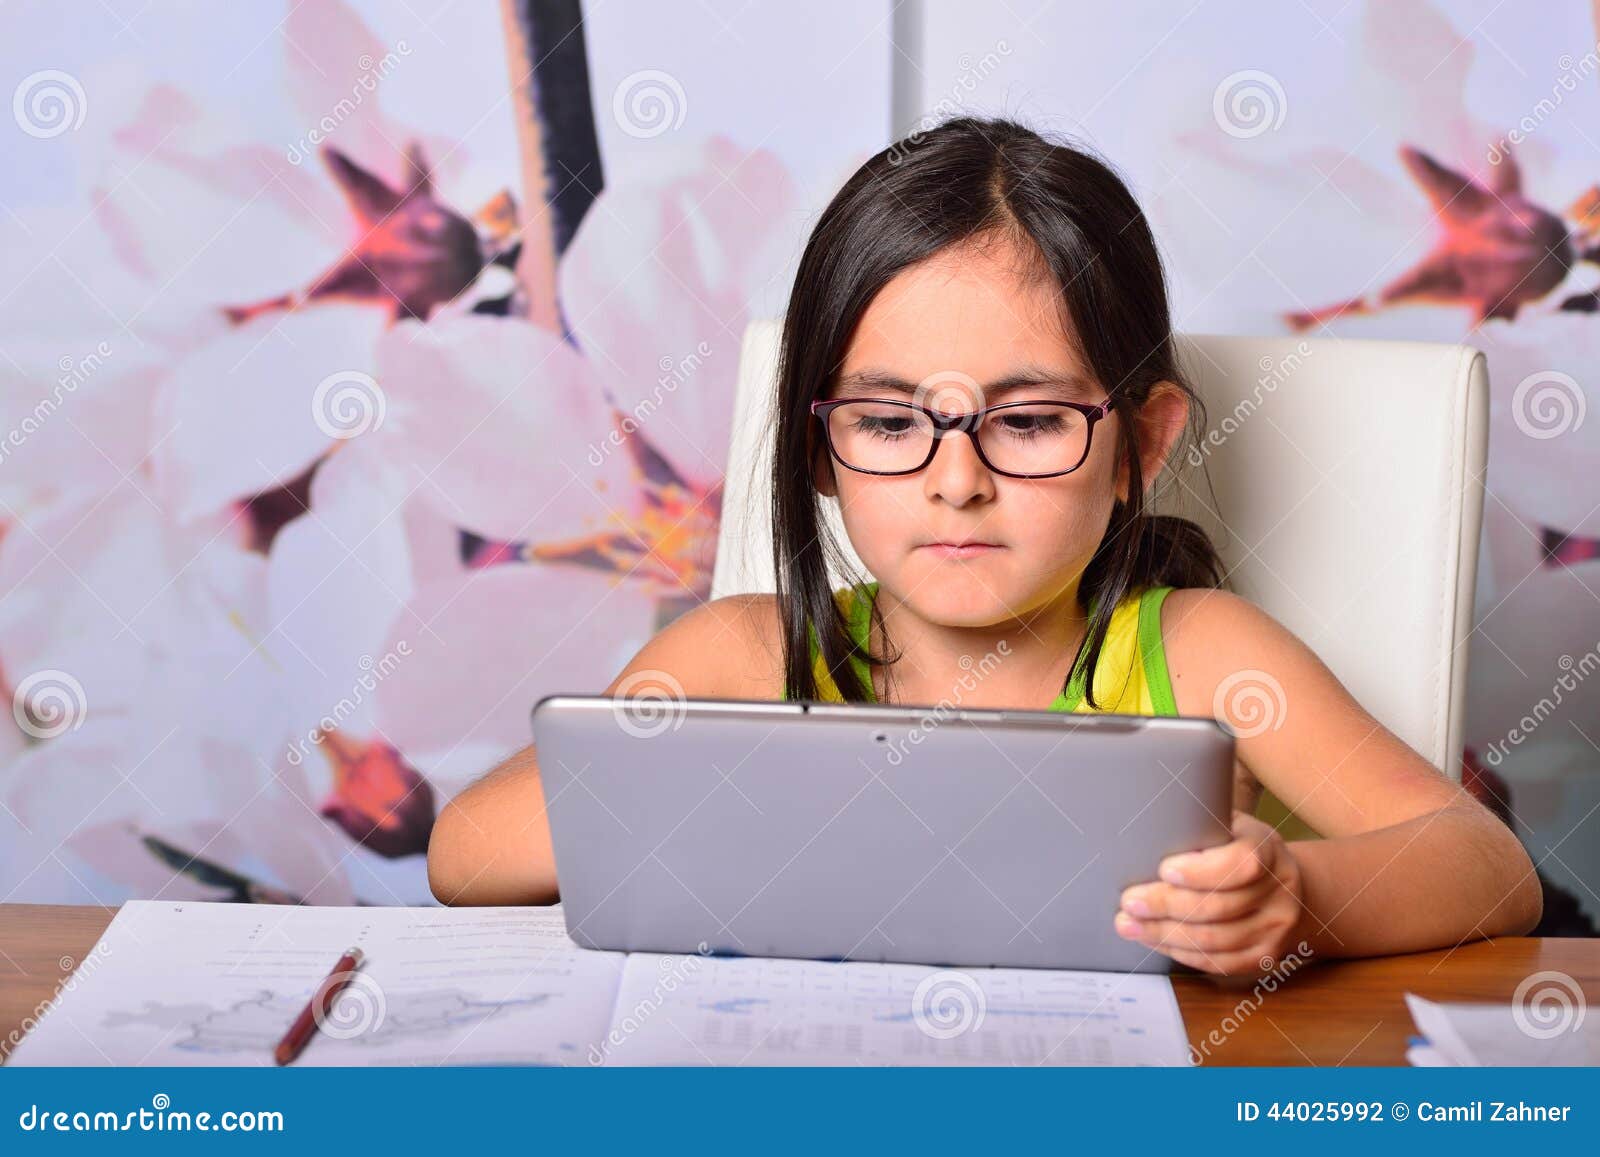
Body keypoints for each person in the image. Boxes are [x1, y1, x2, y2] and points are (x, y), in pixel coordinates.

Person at [427, 116, 1541, 976]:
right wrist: (726, 792)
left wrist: (1299, 894)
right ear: (817, 447)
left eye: (1027, 421)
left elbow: (1485, 866)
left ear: (1136, 447)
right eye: (887, 422)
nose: (955, 481)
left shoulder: (1203, 658)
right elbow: (463, 855)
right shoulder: (738, 663)